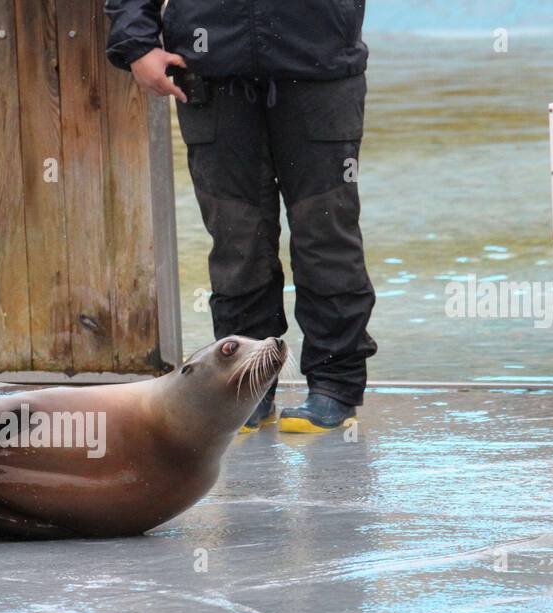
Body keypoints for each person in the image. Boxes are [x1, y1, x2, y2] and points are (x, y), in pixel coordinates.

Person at [106, 0, 378, 432]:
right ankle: (245, 389)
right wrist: (136, 44)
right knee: (237, 238)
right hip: (210, 69)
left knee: (324, 230)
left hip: (320, 61)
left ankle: (334, 385)